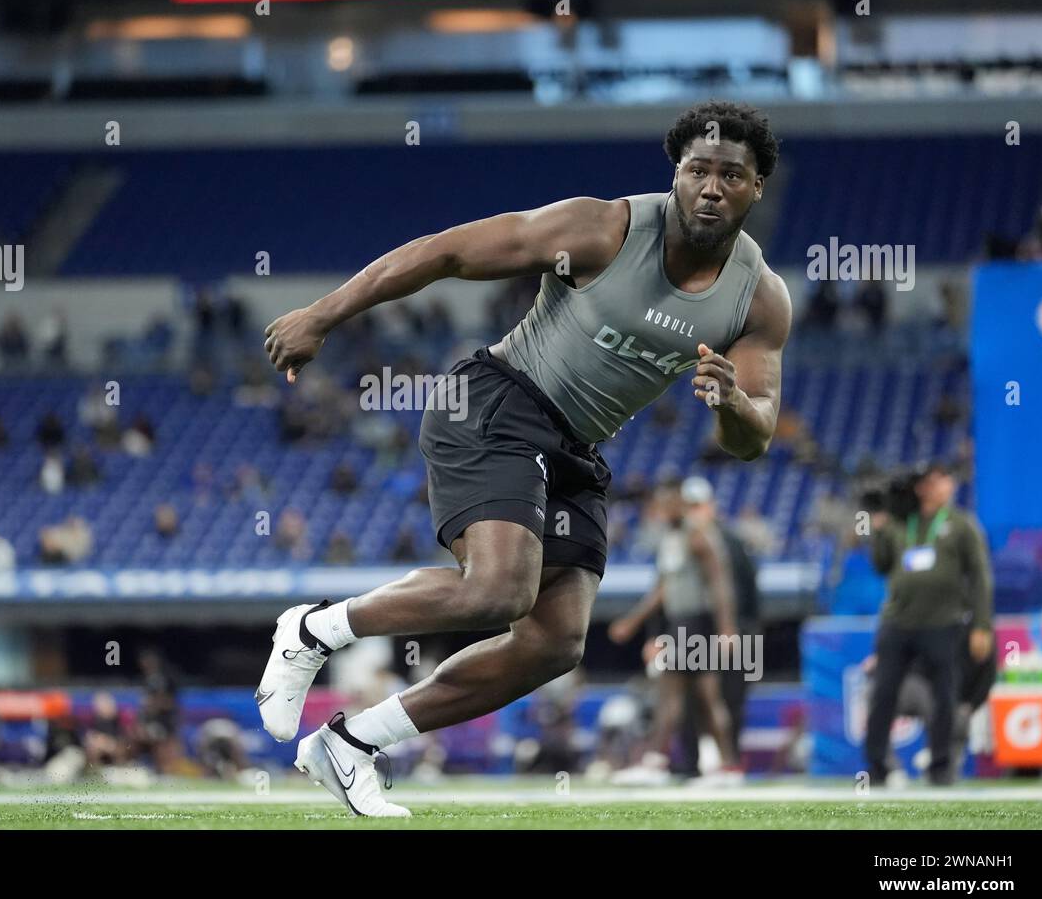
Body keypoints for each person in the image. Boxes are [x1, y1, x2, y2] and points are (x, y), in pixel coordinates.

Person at [257, 100, 792, 816]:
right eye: (698, 169)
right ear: (676, 174)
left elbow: (754, 436)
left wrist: (729, 402)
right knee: (497, 591)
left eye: (732, 174)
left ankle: (352, 744)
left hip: (576, 446)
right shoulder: (602, 230)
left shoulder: (759, 300)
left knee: (554, 643)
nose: (711, 186)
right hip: (496, 399)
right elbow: (446, 251)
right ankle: (312, 629)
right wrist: (322, 314)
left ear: (757, 188)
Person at [864, 460, 994, 786]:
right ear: (921, 487)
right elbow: (880, 566)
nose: (942, 485)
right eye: (934, 480)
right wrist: (876, 528)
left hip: (944, 623)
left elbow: (979, 577)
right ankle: (877, 768)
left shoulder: (962, 524)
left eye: (945, 480)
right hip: (898, 621)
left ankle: (940, 766)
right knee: (883, 693)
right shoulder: (898, 522)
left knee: (945, 695)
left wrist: (982, 625)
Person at [607, 477, 743, 785]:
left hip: (695, 622)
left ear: (680, 504)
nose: (662, 508)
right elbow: (663, 588)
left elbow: (720, 583)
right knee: (706, 698)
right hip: (682, 621)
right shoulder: (671, 537)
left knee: (670, 692)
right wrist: (633, 621)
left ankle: (654, 762)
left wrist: (727, 629)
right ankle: (729, 766)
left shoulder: (697, 535)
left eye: (669, 503)